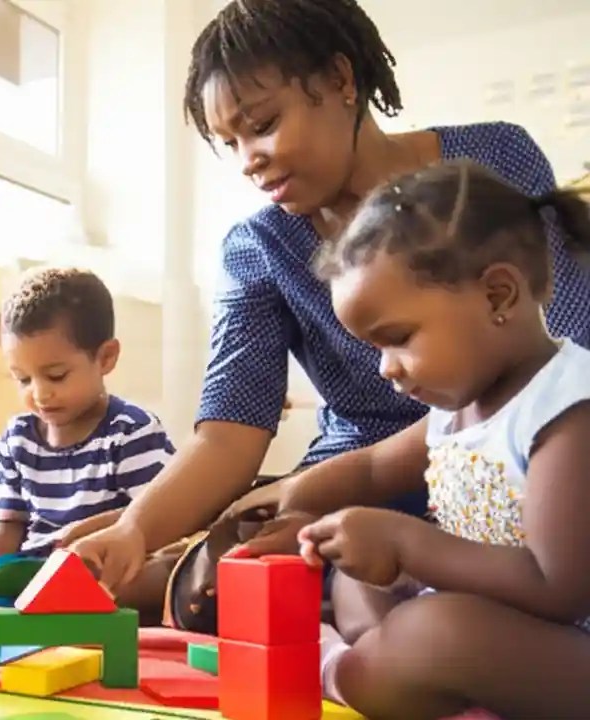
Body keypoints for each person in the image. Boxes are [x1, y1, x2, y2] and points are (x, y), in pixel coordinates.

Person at [66, 0, 590, 630]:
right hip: (354, 470)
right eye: (230, 143)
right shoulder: (257, 248)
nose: (247, 160)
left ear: (342, 82)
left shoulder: (490, 163)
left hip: (507, 457)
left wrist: (337, 504)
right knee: (206, 588)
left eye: (261, 124)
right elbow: (228, 433)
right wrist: (135, 527)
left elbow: (558, 350)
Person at [228, 161, 590, 719]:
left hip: (571, 648)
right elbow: (374, 468)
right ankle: (407, 671)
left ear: (498, 296)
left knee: (438, 630)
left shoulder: (567, 410)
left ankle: (342, 671)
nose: (385, 369)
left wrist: (406, 546)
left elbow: (557, 588)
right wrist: (298, 500)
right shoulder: (458, 407)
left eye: (397, 339)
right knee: (358, 573)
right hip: (498, 622)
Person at [0, 268, 178, 623]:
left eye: (56, 376)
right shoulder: (16, 439)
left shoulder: (132, 432)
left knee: (157, 575)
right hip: (36, 570)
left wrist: (90, 533)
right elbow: (10, 527)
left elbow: (164, 517)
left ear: (106, 358)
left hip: (103, 568)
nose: (39, 393)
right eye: (22, 379)